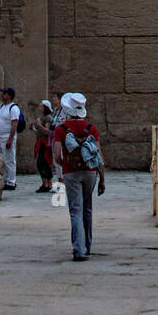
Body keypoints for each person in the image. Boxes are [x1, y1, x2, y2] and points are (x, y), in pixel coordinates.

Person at [52, 91, 105, 260]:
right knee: (87, 209)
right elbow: (98, 155)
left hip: (71, 172)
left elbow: (56, 155)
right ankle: (87, 245)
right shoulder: (92, 129)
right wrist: (102, 178)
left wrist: (65, 164)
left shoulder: (61, 129)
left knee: (75, 210)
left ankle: (79, 249)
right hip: (90, 172)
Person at [0, 86, 22, 190]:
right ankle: (4, 180)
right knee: (2, 160)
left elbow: (14, 124)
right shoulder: (1, 107)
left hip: (7, 137)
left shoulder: (13, 108)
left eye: (4, 93)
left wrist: (10, 139)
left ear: (9, 95)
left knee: (9, 160)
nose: (2, 95)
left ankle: (11, 182)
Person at [33, 99, 54, 191]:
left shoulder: (47, 118)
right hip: (41, 142)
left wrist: (39, 125)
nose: (40, 108)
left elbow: (47, 131)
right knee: (43, 163)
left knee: (42, 163)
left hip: (45, 143)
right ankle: (47, 183)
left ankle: (46, 184)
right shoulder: (44, 118)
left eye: (42, 106)